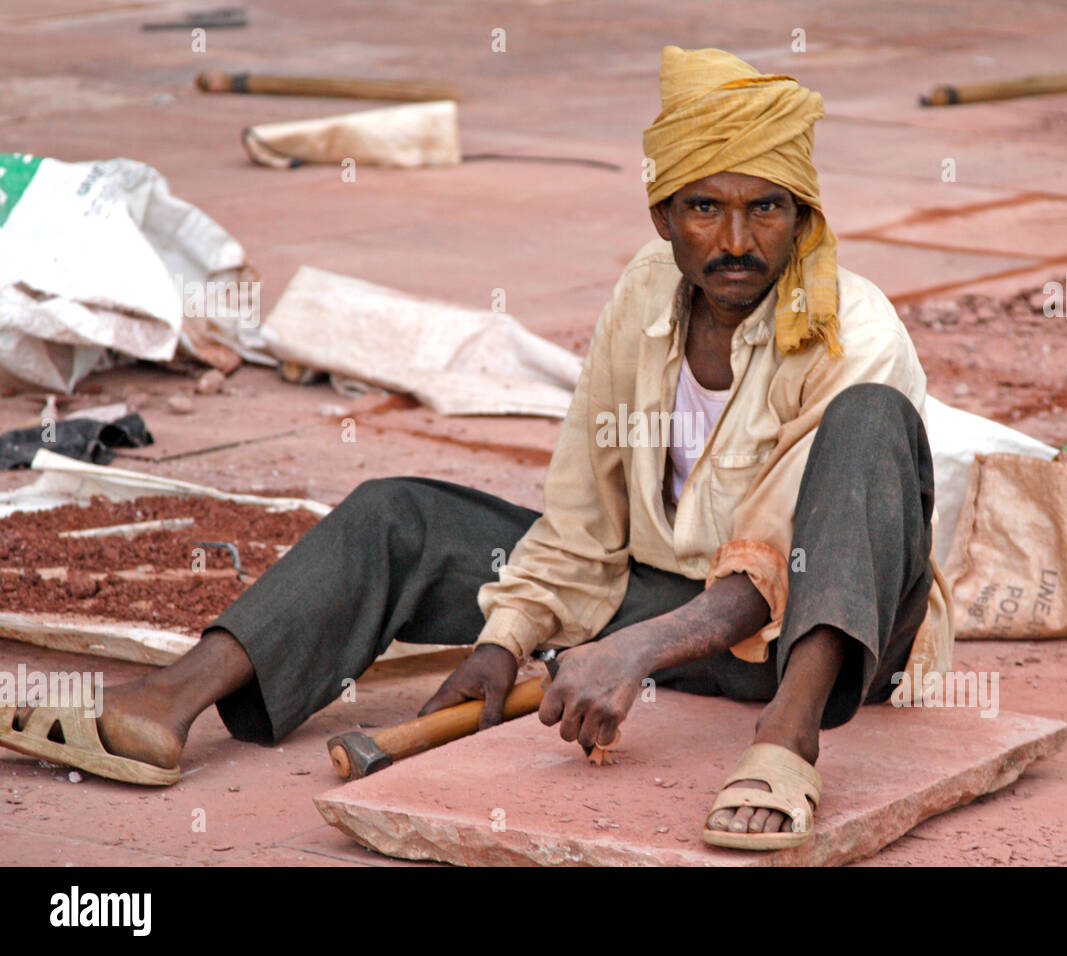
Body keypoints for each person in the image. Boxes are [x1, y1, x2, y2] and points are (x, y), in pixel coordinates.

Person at [0, 46, 953, 851]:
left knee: (871, 420)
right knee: (399, 513)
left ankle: (786, 745)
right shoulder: (642, 297)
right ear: (662, 215)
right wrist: (506, 643)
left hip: (822, 639)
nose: (737, 240)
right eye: (705, 208)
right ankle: (170, 702)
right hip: (668, 612)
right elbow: (584, 518)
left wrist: (631, 653)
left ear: (803, 216)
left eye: (767, 211)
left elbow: (776, 565)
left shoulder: (849, 326)